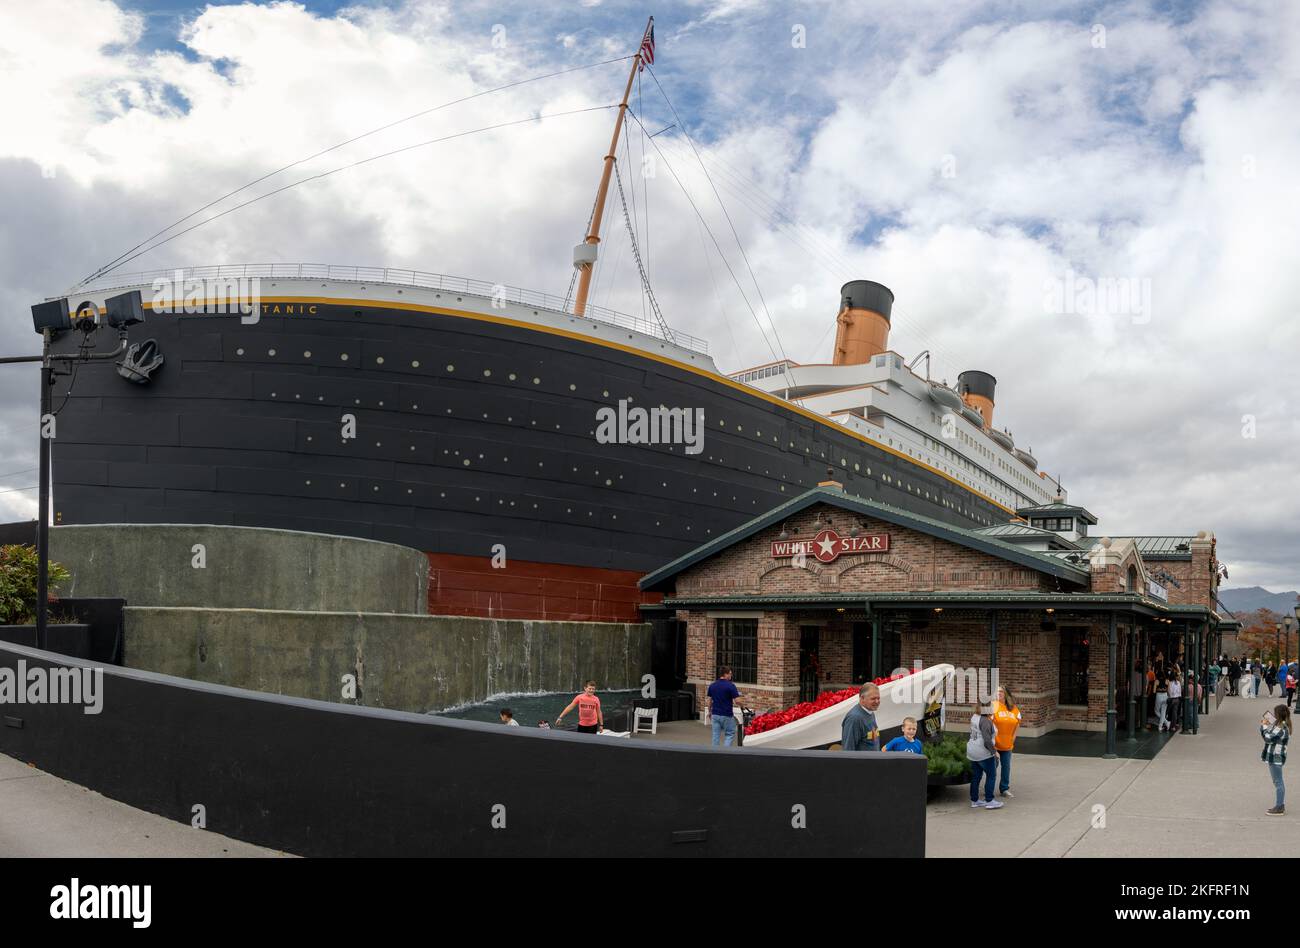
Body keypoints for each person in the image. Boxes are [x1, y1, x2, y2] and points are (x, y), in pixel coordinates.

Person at [967, 704, 1002, 809]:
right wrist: (994, 752)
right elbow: (987, 740)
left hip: (972, 751)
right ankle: (989, 800)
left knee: (976, 776)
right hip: (983, 753)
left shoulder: (975, 717)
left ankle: (975, 800)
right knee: (991, 776)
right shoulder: (986, 721)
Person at [992, 686, 1022, 797]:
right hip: (994, 745)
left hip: (1007, 744)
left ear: (1006, 694)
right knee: (992, 769)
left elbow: (1017, 724)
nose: (998, 693)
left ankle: (1004, 789)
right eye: (997, 691)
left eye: (1001, 691)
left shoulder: (1013, 708)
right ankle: (988, 790)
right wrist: (992, 745)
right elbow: (988, 725)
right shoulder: (993, 706)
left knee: (1006, 767)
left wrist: (1012, 740)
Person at [1262, 704, 1291, 816]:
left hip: (1276, 757)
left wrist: (1264, 726)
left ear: (1278, 715)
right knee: (1278, 781)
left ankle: (1279, 807)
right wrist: (1267, 723)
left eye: (1275, 714)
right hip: (1275, 756)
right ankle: (1280, 805)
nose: (1273, 716)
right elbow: (1269, 732)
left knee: (1278, 782)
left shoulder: (1281, 728)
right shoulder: (1279, 725)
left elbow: (1267, 738)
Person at [705, 666, 743, 747]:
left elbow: (709, 701)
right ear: (725, 674)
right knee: (729, 734)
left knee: (715, 735)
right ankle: (725, 753)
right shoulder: (731, 686)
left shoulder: (712, 685)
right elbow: (737, 701)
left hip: (715, 714)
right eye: (730, 674)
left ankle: (715, 754)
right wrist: (742, 705)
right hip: (727, 714)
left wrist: (709, 712)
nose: (731, 676)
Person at [841, 683, 881, 752]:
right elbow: (848, 750)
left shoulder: (870, 711)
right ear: (862, 698)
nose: (877, 701)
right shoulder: (854, 718)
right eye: (873, 698)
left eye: (878, 698)